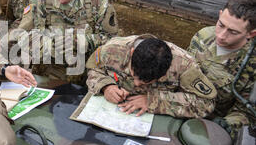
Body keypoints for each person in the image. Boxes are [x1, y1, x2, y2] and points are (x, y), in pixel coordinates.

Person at [18, 0, 119, 81]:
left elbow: (111, 40)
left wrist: (81, 41)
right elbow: (22, 36)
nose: (61, 0)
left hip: (88, 72)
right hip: (49, 72)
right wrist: (51, 44)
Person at [86, 35, 217, 118]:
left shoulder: (185, 66)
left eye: (145, 82)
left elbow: (206, 103)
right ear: (132, 53)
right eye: (134, 75)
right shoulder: (112, 49)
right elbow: (93, 68)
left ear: (165, 71)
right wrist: (106, 86)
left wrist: (153, 101)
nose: (136, 84)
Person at [187, 0, 256, 138]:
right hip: (179, 107)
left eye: (233, 32)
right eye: (221, 25)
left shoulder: (252, 65)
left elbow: (246, 112)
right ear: (219, 14)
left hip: (208, 129)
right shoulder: (203, 36)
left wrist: (227, 124)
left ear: (251, 33)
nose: (221, 36)